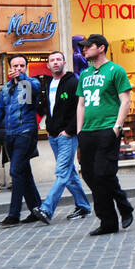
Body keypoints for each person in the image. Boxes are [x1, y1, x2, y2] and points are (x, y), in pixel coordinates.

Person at [76, 33, 135, 236]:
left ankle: (111, 217)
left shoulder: (116, 70)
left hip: (107, 129)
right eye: (83, 47)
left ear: (101, 48)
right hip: (87, 131)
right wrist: (79, 130)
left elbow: (125, 101)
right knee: (90, 175)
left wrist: (117, 127)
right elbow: (81, 104)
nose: (84, 49)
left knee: (103, 173)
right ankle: (118, 210)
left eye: (88, 46)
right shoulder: (84, 74)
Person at [0, 53, 44, 226]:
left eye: (22, 66)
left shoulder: (30, 83)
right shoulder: (6, 88)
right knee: (24, 172)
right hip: (10, 134)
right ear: (9, 68)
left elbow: (34, 89)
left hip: (26, 132)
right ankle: (37, 209)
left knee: (15, 171)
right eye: (15, 66)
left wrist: (22, 78)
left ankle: (14, 214)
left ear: (26, 68)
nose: (18, 69)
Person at [38, 49, 92, 221]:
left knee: (62, 172)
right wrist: (48, 127)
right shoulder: (49, 84)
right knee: (69, 173)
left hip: (67, 136)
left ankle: (46, 208)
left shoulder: (73, 82)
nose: (55, 62)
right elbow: (49, 109)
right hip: (53, 136)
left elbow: (81, 108)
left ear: (64, 63)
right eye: (52, 60)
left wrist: (69, 131)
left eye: (58, 59)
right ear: (48, 65)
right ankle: (83, 206)